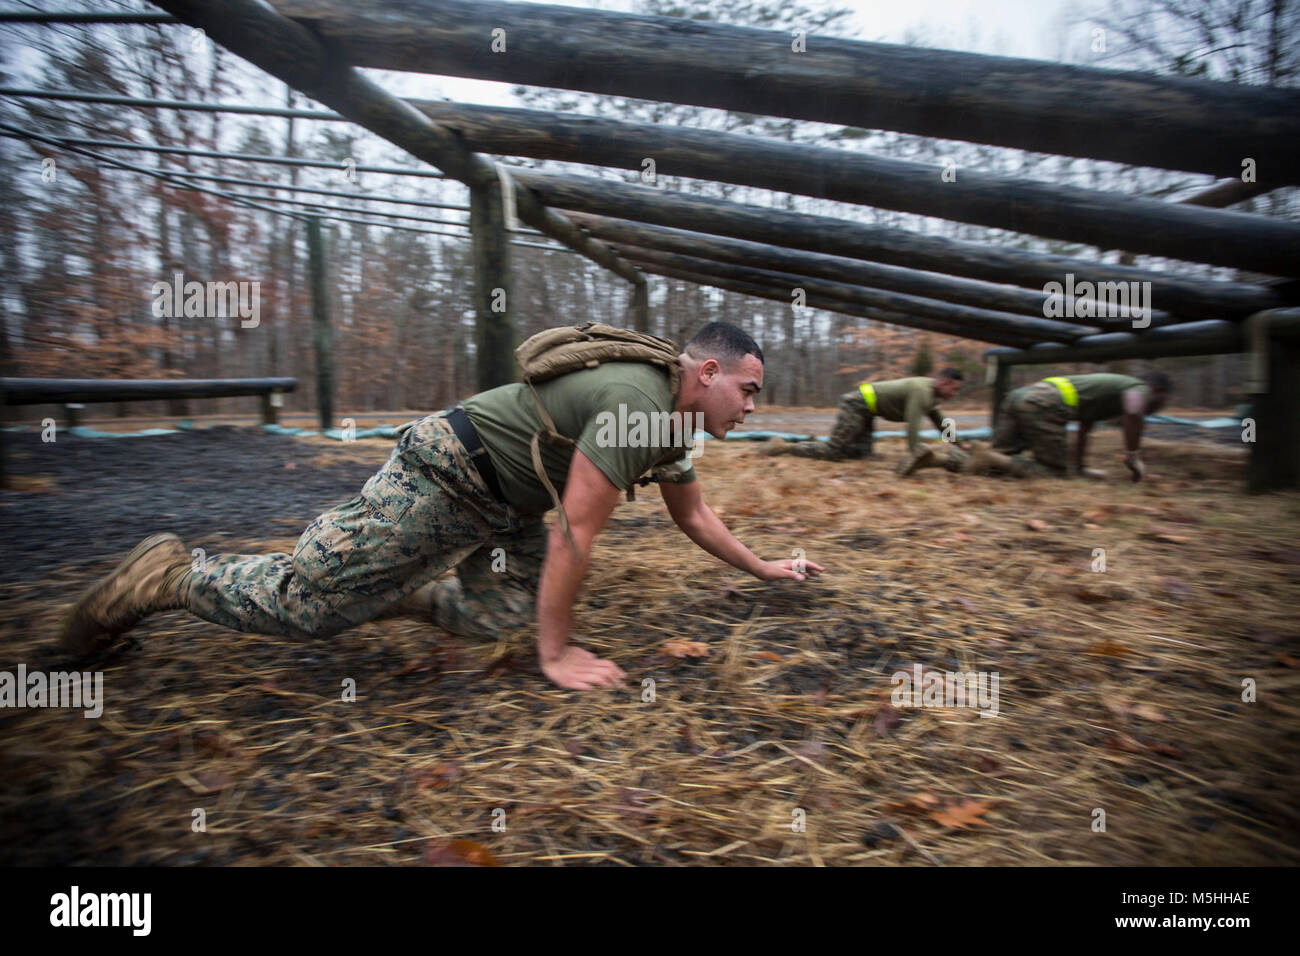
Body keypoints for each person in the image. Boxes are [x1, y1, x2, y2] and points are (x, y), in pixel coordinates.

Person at [58, 322, 823, 691]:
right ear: (711, 371)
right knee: (310, 605)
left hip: (505, 508)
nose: (753, 407)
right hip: (451, 474)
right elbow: (575, 534)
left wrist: (766, 569)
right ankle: (167, 576)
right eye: (749, 390)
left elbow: (692, 517)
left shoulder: (676, 426)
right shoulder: (638, 404)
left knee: (505, 617)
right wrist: (554, 657)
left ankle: (392, 584)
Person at [954, 371, 1170, 480]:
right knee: (1055, 473)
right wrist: (1133, 456)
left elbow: (1085, 429)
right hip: (1045, 401)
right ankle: (987, 455)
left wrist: (1080, 468)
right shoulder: (1139, 388)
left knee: (997, 467)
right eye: (1163, 400)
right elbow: (1134, 412)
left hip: (1020, 396)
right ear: (1158, 391)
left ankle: (946, 459)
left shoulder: (1109, 392)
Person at [760, 369, 965, 472]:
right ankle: (782, 446)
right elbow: (913, 425)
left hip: (868, 410)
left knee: (861, 455)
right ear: (943, 383)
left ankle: (815, 441)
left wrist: (962, 446)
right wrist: (915, 456)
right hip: (857, 405)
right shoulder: (923, 391)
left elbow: (941, 423)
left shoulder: (931, 395)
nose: (955, 394)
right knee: (834, 453)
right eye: (954, 389)